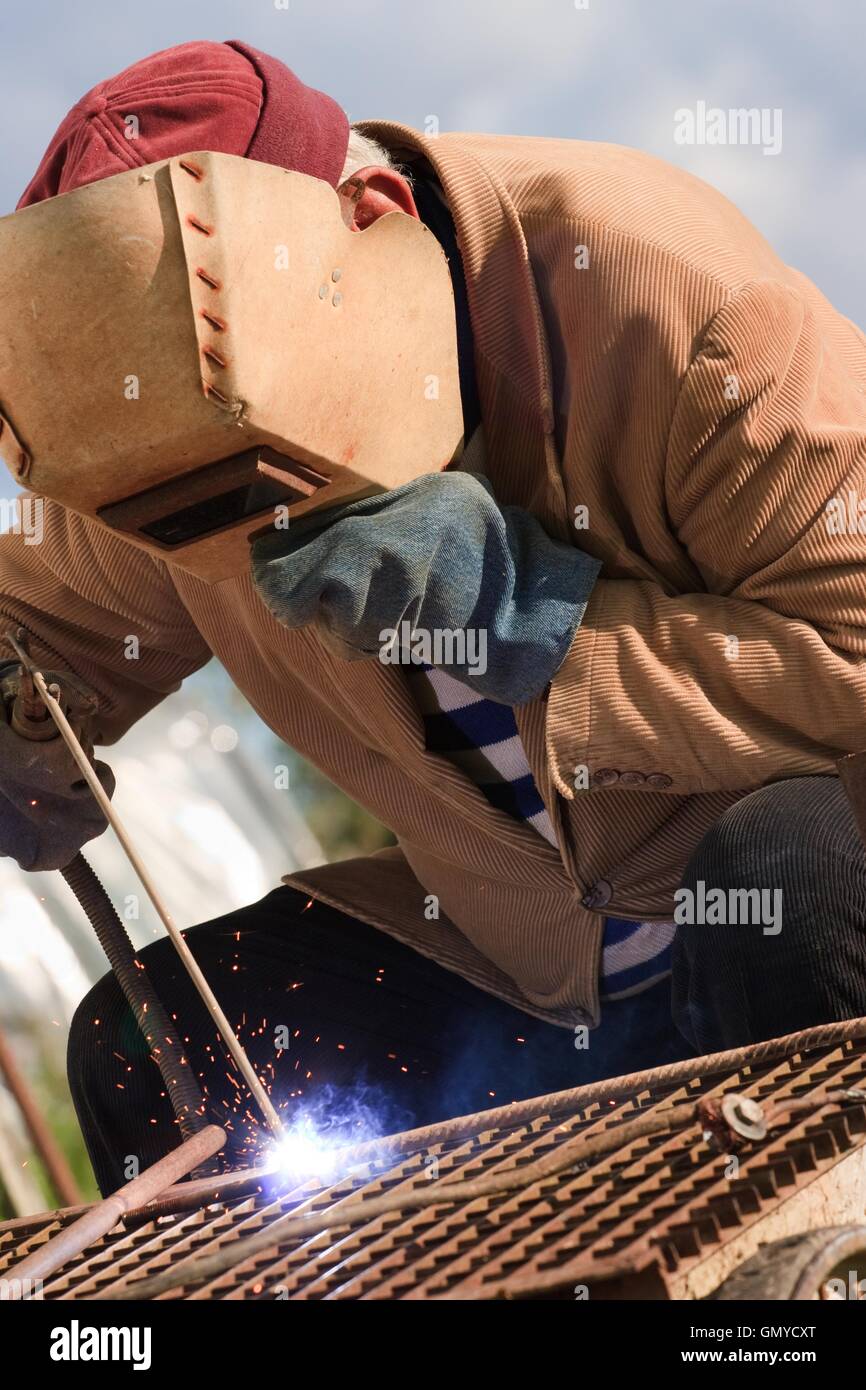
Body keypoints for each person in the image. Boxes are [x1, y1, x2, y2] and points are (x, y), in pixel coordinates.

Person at [1, 40, 864, 1194]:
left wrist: (534, 620)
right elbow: (46, 636)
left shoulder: (674, 302)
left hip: (777, 936)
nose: (230, 524)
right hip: (521, 981)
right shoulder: (154, 409)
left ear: (376, 221)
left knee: (786, 871)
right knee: (151, 1044)